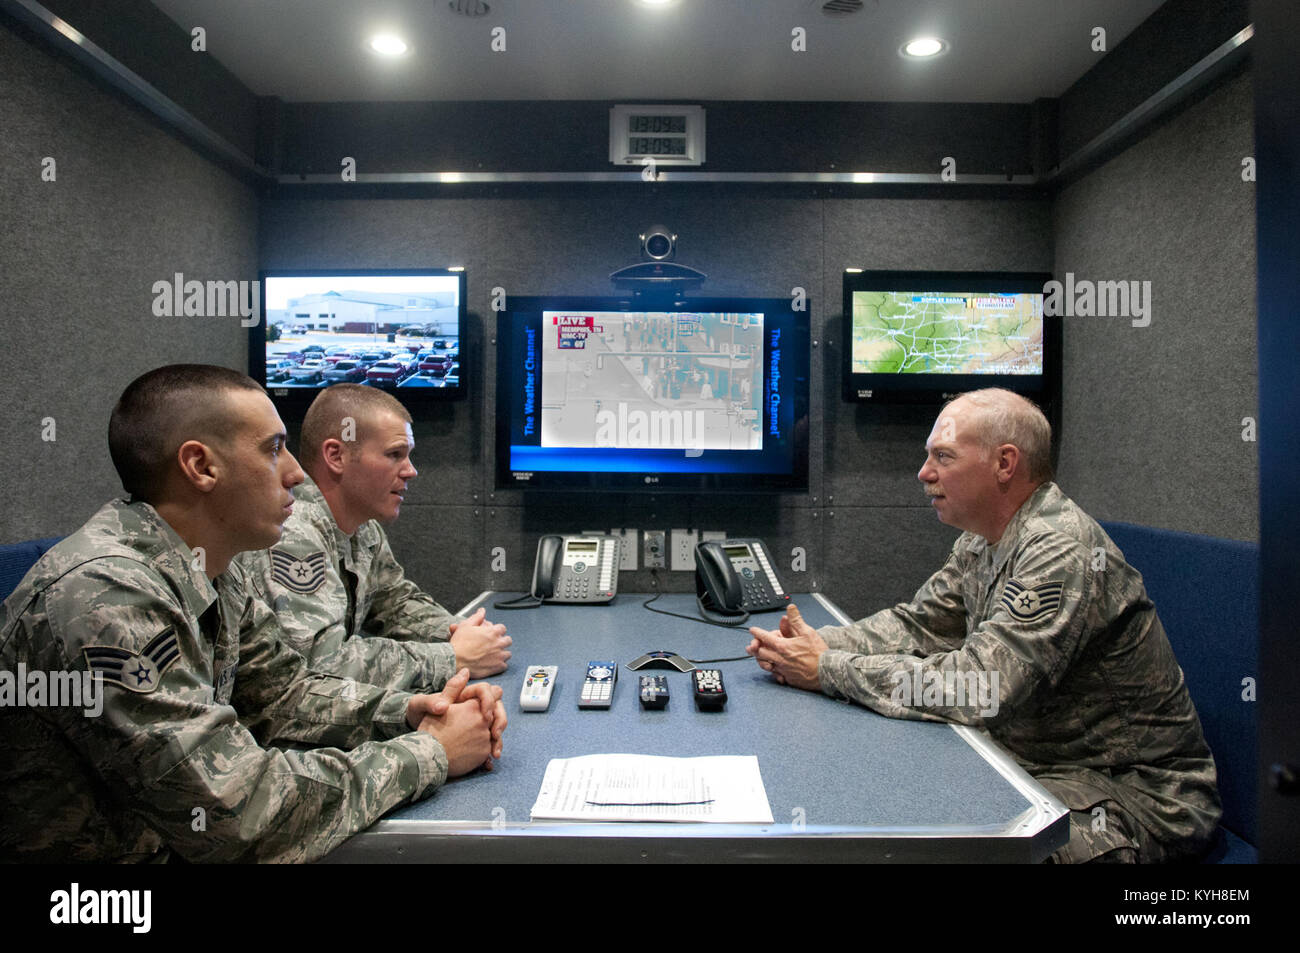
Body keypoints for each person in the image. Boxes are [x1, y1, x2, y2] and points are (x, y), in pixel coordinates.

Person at [0, 365, 506, 862]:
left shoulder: (216, 566)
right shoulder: (108, 598)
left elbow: (285, 698)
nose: (295, 472)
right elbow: (239, 817)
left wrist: (416, 712)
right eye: (272, 449)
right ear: (200, 467)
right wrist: (430, 752)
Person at [747, 388, 1221, 863]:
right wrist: (815, 644)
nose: (924, 472)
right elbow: (919, 627)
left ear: (1005, 464)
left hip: (1132, 794)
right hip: (1034, 764)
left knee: (945, 850)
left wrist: (828, 669)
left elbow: (982, 688)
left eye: (943, 457)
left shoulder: (1058, 550)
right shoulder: (984, 538)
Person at [234, 384, 511, 693]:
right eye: (395, 455)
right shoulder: (292, 532)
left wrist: (458, 632)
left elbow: (396, 604)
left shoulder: (363, 527)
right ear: (336, 456)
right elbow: (321, 666)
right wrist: (450, 656)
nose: (411, 471)